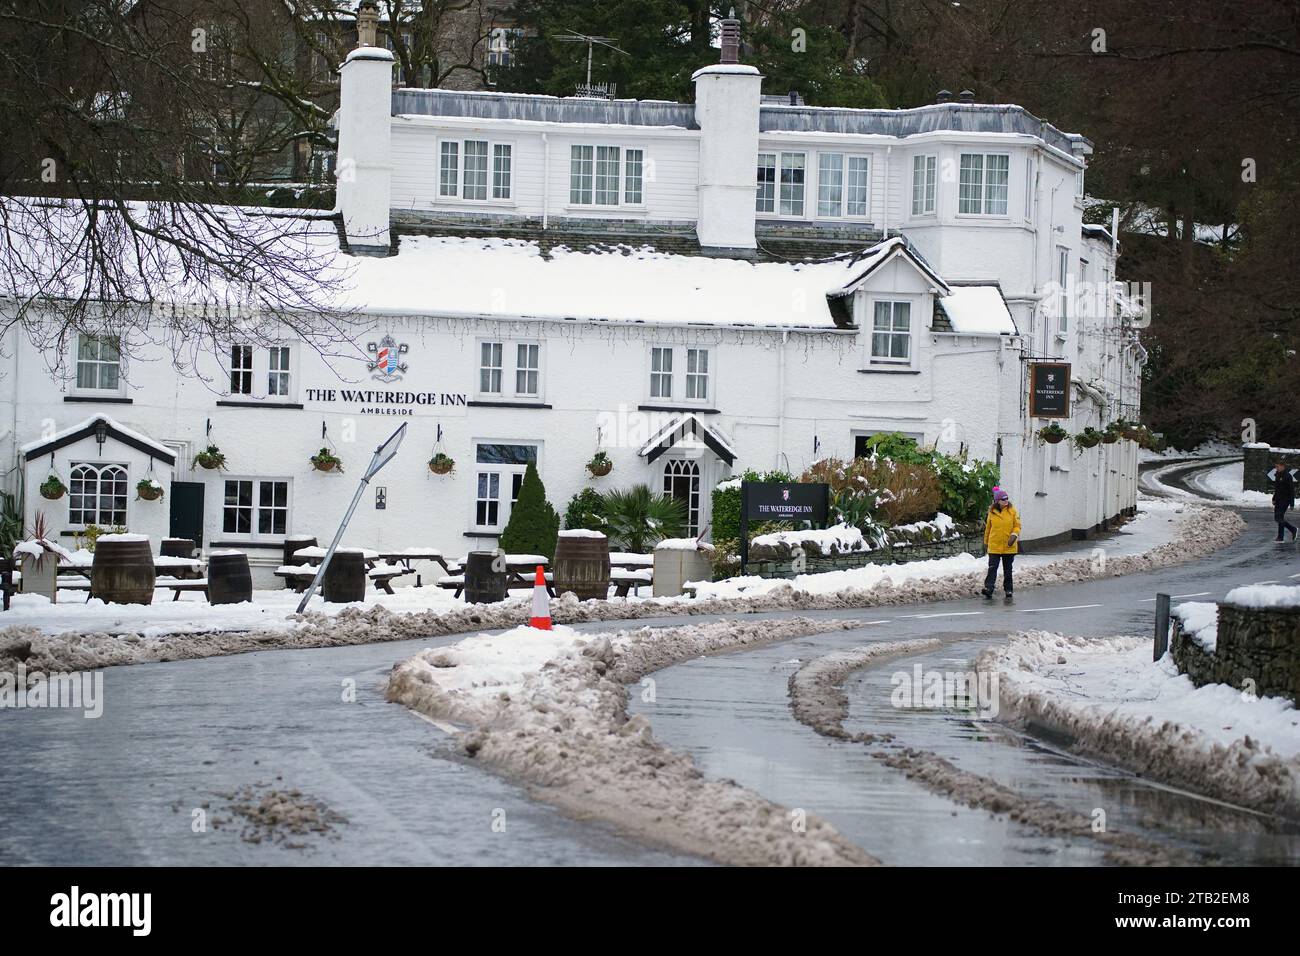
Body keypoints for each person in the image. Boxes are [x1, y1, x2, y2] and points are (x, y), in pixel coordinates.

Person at [982, 487, 1021, 599]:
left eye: (1007, 499)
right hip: (994, 545)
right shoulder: (992, 512)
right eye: (1003, 499)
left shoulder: (1012, 511)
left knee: (1007, 569)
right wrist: (985, 542)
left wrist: (1014, 535)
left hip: (1009, 546)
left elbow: (1017, 526)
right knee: (992, 568)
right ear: (997, 501)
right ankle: (989, 588)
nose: (1006, 501)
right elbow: (988, 529)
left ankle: (1008, 589)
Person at [1271, 462, 1297, 542]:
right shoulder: (1277, 475)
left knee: (1279, 517)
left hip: (1285, 500)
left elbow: (1291, 490)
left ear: (1283, 466)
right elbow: (1277, 488)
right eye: (1276, 467)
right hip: (1278, 499)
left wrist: (1292, 503)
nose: (1276, 468)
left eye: (1278, 467)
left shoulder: (1287, 476)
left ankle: (1280, 537)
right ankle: (1292, 530)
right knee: (1277, 518)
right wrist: (1274, 498)